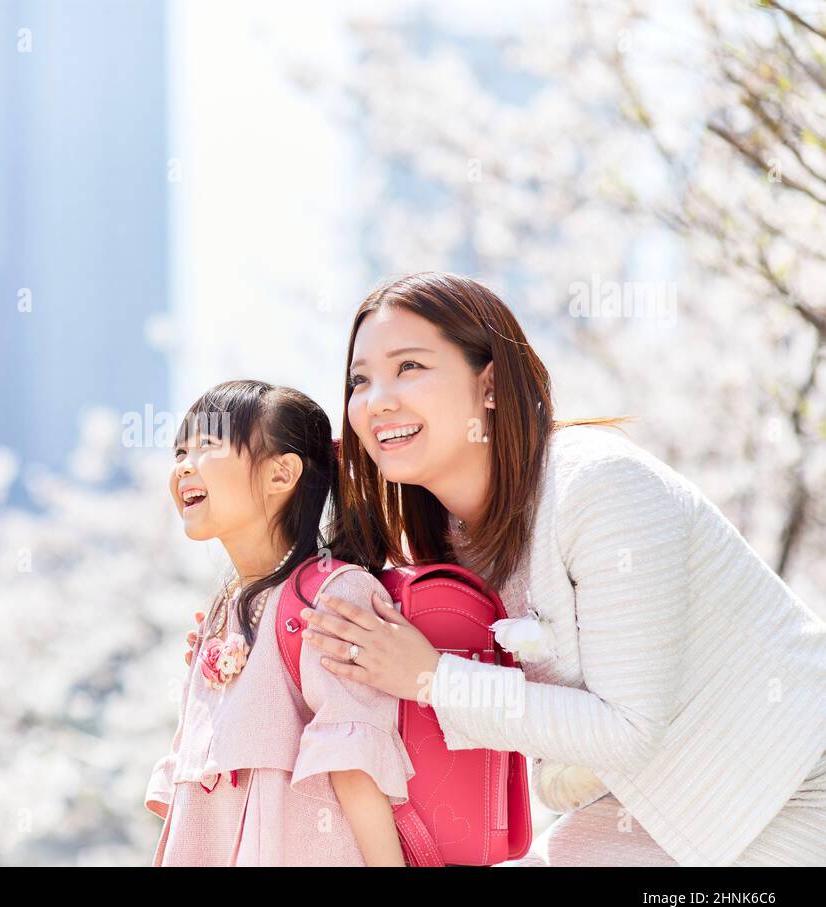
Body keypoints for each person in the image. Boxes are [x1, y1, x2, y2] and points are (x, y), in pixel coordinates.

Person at [299, 271, 826, 865]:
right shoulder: (446, 547)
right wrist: (242, 646)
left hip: (792, 789)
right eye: (359, 380)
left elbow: (628, 728)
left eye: (410, 367)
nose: (377, 400)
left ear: (490, 384)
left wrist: (431, 677)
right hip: (658, 813)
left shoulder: (599, 486)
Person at [145, 379, 415, 866]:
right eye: (178, 450)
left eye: (206, 445)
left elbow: (354, 765)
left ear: (280, 474)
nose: (183, 464)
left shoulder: (333, 594)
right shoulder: (229, 608)